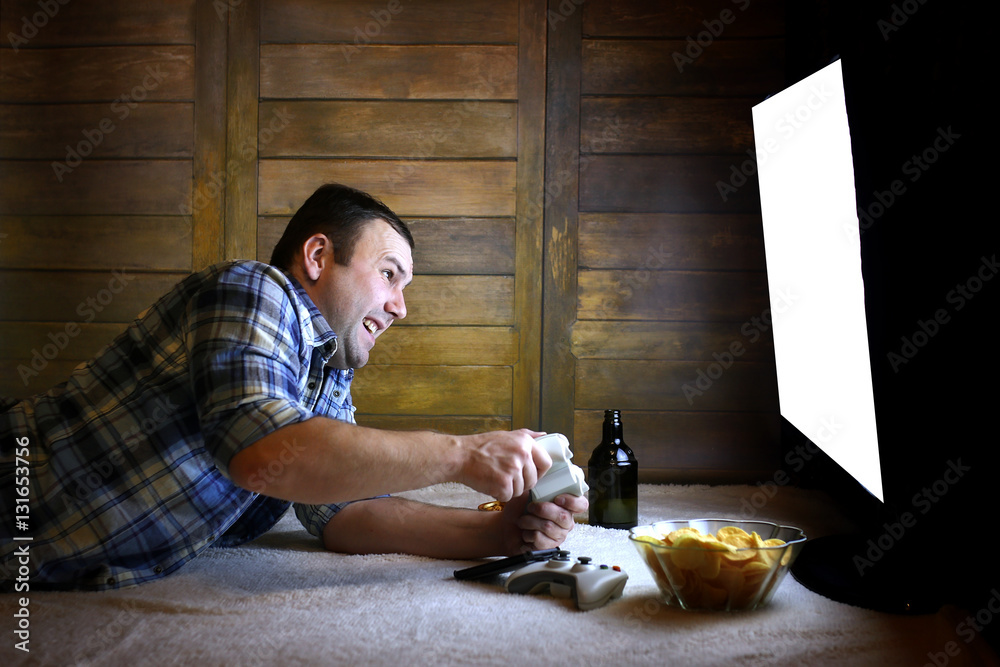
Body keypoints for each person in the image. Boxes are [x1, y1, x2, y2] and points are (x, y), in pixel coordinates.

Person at [0, 183, 587, 590]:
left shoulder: (328, 372)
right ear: (316, 255)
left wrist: (499, 532)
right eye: (389, 274)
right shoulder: (254, 289)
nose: (401, 307)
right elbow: (263, 454)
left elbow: (346, 514)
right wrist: (465, 453)